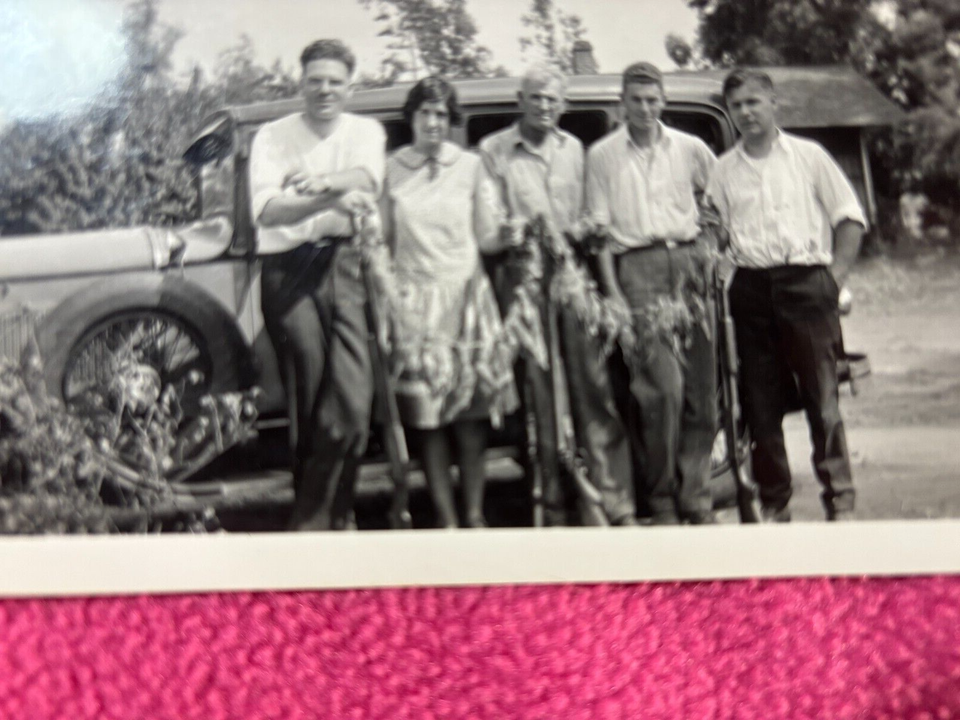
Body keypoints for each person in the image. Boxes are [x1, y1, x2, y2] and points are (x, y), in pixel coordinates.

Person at [479, 64, 638, 526]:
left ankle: (614, 503)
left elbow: (592, 212)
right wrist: (507, 232)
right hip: (524, 276)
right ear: (520, 101)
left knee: (593, 388)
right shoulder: (494, 151)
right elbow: (489, 222)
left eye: (552, 99)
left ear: (562, 104)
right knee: (542, 396)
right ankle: (553, 505)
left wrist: (585, 230)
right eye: (535, 97)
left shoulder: (575, 151)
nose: (544, 106)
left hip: (572, 273)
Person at [706, 68, 866, 522]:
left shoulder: (808, 156)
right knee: (760, 403)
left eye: (754, 102)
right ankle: (774, 504)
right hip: (751, 292)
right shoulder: (723, 170)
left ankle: (840, 500)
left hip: (807, 284)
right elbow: (714, 233)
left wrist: (833, 279)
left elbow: (849, 218)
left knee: (823, 398)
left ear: (774, 103)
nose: (746, 112)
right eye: (737, 106)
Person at [248, 39, 385, 531]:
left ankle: (325, 512)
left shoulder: (366, 130)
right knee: (309, 399)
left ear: (350, 86)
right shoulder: (272, 137)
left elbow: (367, 179)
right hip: (288, 269)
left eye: (334, 82)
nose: (324, 90)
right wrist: (327, 202)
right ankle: (323, 522)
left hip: (345, 265)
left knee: (352, 401)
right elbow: (267, 209)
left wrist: (322, 185)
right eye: (315, 81)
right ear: (300, 83)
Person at [585, 62, 719, 525]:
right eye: (635, 100)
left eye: (652, 99)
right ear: (622, 103)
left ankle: (696, 498)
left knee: (702, 391)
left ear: (663, 101)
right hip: (636, 269)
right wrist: (614, 292)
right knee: (662, 389)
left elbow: (720, 204)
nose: (644, 109)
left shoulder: (690, 148)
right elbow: (599, 233)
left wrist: (709, 252)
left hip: (688, 265)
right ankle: (661, 499)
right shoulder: (602, 156)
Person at [381, 77, 516, 529]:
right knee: (429, 419)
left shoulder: (471, 167)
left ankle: (475, 513)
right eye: (425, 113)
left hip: (466, 301)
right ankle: (445, 517)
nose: (434, 122)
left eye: (442, 114)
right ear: (412, 118)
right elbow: (382, 241)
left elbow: (487, 236)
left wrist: (514, 234)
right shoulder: (391, 169)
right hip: (415, 304)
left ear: (451, 119)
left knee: (471, 417)